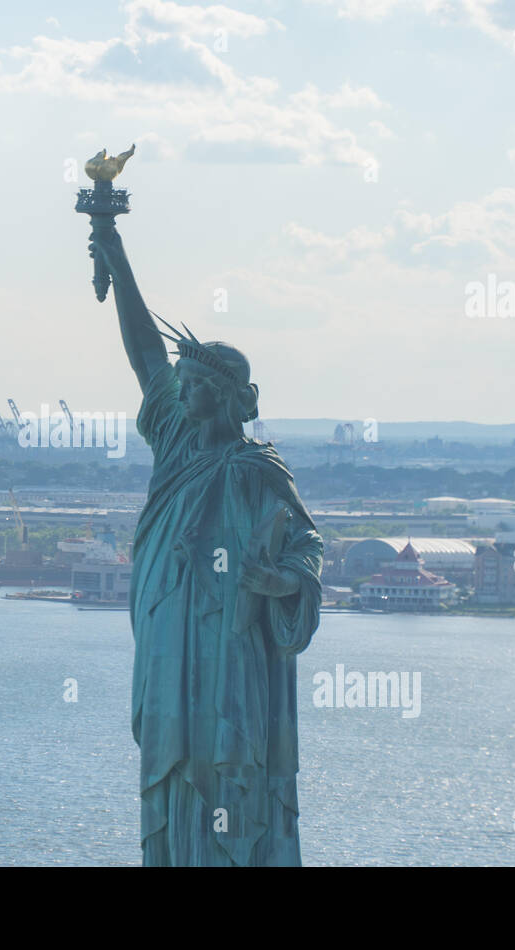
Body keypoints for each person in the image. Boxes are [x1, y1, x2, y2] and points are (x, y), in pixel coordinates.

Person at [89, 222, 323, 866]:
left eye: (194, 384)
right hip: (168, 638)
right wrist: (114, 249)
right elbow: (145, 357)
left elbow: (306, 547)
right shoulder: (175, 441)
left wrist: (278, 583)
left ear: (221, 396)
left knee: (226, 764)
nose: (180, 390)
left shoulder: (256, 471)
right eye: (183, 382)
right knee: (170, 761)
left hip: (230, 648)